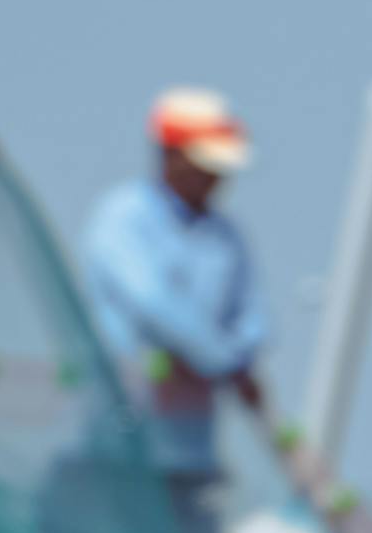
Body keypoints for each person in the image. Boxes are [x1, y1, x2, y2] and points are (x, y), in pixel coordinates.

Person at [79, 88, 270, 483]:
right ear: (169, 155)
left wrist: (241, 356)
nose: (215, 177)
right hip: (125, 432)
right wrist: (222, 360)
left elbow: (250, 316)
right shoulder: (123, 217)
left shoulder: (226, 235)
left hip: (193, 441)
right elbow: (153, 304)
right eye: (205, 164)